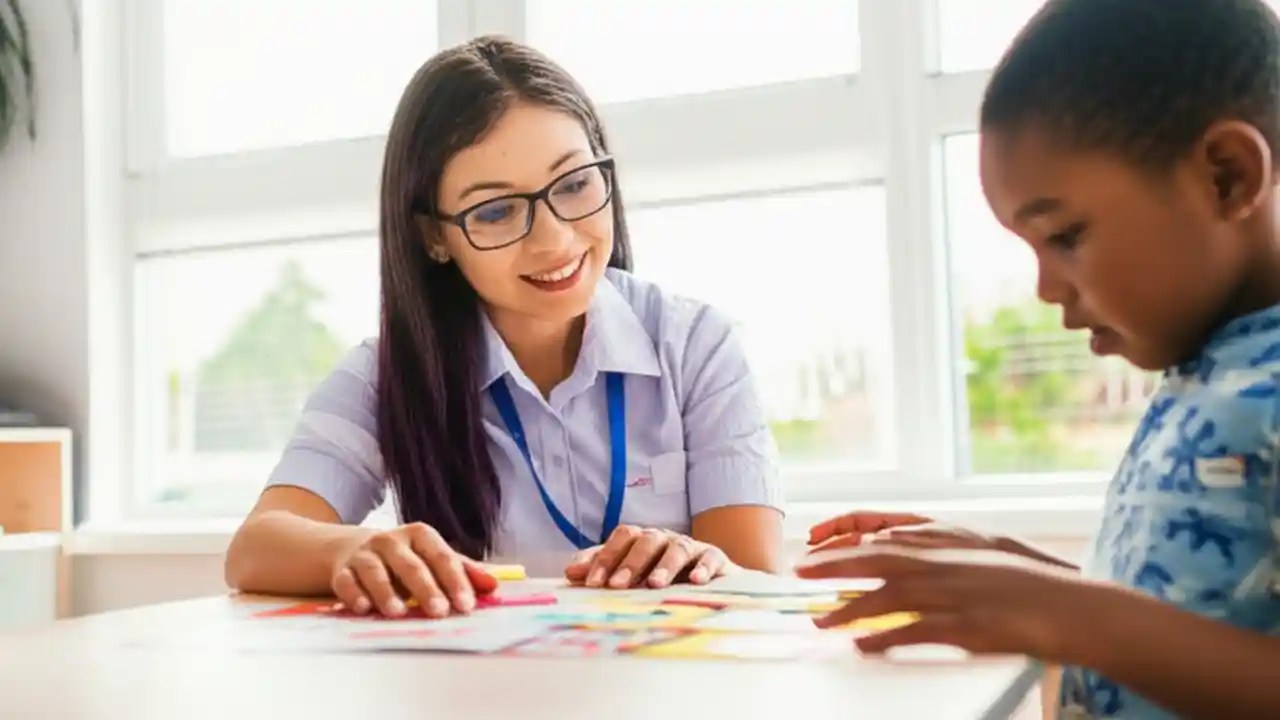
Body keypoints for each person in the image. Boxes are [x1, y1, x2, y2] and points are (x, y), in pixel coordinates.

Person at [799, 1, 1280, 717]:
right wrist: (1015, 571)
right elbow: (1196, 614)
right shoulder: (1205, 370)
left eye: (1066, 235)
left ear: (1226, 176)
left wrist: (1069, 614)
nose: (1047, 289)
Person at [224, 35, 784, 620]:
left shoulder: (695, 346)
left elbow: (755, 580)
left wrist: (701, 560)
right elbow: (255, 549)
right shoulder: (388, 375)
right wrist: (355, 549)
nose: (554, 239)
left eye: (575, 184)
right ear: (433, 236)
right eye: (495, 211)